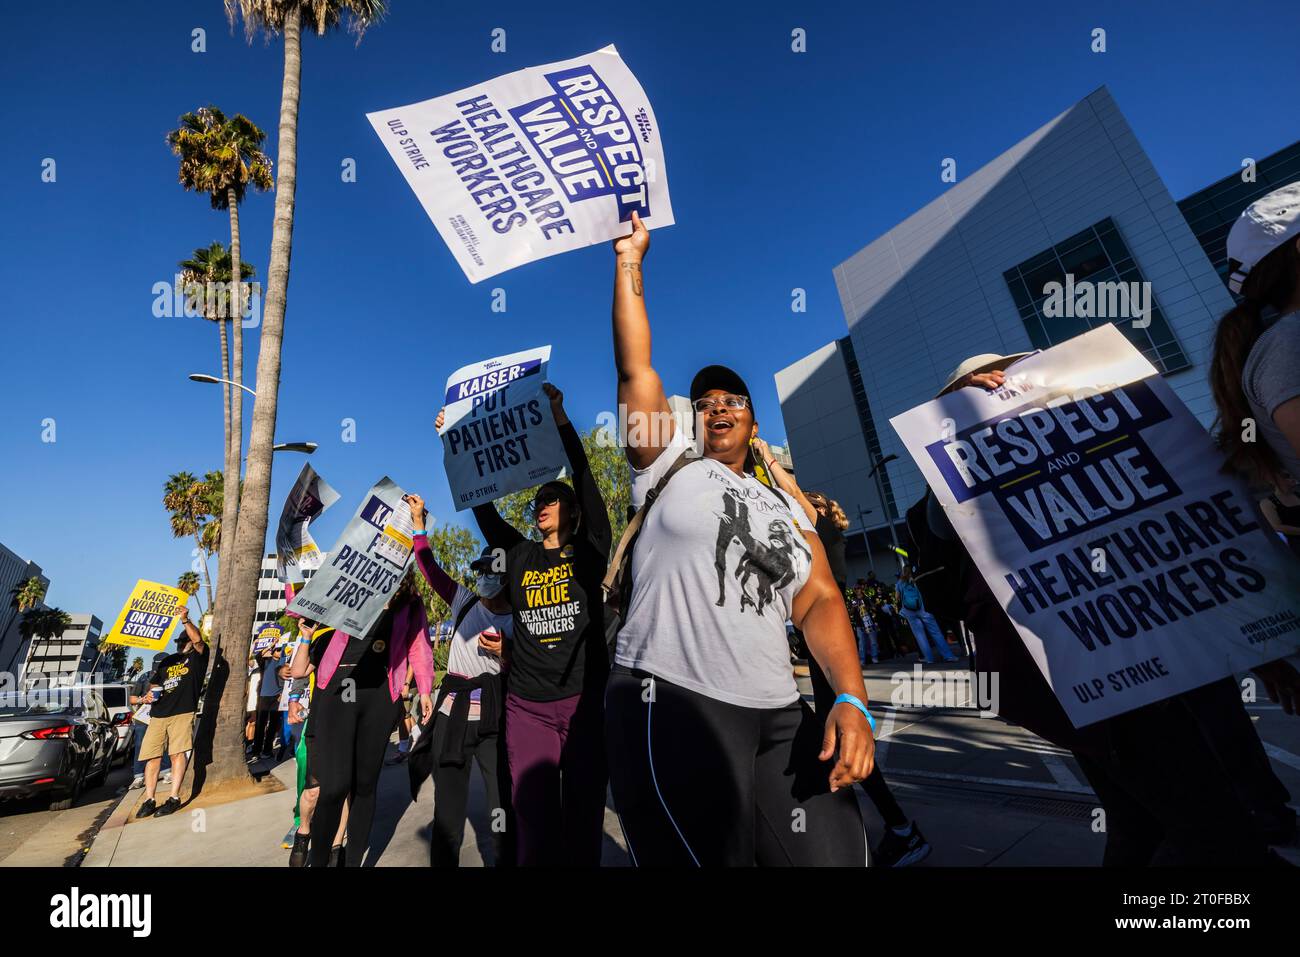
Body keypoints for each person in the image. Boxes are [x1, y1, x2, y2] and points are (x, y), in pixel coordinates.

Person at [911, 351, 1285, 864]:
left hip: (1164, 654)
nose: (1005, 389)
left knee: (1144, 822)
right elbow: (944, 522)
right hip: (1091, 680)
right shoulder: (954, 483)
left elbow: (1183, 544)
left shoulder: (1099, 454)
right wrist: (963, 428)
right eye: (989, 387)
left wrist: (1266, 650)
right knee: (1211, 829)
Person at [603, 212, 873, 866]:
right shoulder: (665, 464)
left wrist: (850, 698)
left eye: (734, 399)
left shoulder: (787, 502)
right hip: (669, 699)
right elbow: (636, 365)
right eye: (706, 402)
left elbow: (818, 601)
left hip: (779, 715)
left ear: (753, 423)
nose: (718, 406)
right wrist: (630, 262)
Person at [443, 382, 612, 867]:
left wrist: (560, 418)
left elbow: (583, 476)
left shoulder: (590, 552)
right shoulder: (517, 556)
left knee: (582, 818)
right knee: (532, 819)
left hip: (582, 706)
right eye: (539, 498)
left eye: (553, 499)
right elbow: (483, 506)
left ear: (573, 512)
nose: (542, 503)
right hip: (528, 708)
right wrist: (453, 442)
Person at [756, 441, 933, 866]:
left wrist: (769, 462)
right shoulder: (818, 535)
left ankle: (898, 830)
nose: (804, 500)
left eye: (810, 500)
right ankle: (891, 828)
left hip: (831, 640)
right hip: (822, 643)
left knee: (837, 740)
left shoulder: (823, 530)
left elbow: (794, 494)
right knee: (834, 741)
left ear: (820, 508)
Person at [403, 494, 514, 867]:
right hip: (452, 714)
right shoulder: (463, 600)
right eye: (480, 570)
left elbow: (533, 670)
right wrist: (419, 523)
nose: (484, 578)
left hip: (494, 717)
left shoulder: (520, 620)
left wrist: (505, 654)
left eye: (491, 572)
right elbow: (430, 568)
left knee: (502, 809)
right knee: (448, 812)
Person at [298, 572, 434, 867]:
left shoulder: (409, 601)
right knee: (334, 787)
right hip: (338, 690)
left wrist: (424, 690)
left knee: (365, 786)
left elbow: (419, 646)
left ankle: (353, 861)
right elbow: (302, 605)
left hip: (381, 697)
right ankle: (319, 860)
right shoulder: (348, 580)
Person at [285, 616, 349, 868]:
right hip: (321, 718)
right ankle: (303, 832)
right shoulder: (322, 634)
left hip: (351, 719)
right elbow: (299, 672)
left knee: (344, 788)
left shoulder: (364, 630)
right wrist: (306, 636)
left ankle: (336, 845)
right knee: (313, 790)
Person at [135, 607, 207, 819]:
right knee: (152, 757)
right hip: (158, 715)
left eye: (184, 641)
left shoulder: (197, 659)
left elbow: (199, 641)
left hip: (182, 712)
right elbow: (153, 686)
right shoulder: (167, 662)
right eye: (178, 641)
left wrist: (185, 620)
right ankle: (149, 799)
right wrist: (147, 697)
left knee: (177, 754)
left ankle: (174, 797)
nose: (180, 644)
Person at [895, 565, 958, 664]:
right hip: (923, 609)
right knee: (936, 632)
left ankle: (929, 658)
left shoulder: (899, 583)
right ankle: (948, 655)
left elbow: (897, 597)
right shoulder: (917, 578)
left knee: (920, 636)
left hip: (909, 611)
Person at [126, 653, 169, 789]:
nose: (157, 671)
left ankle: (166, 771)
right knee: (140, 744)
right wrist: (142, 699)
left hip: (163, 714)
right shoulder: (145, 677)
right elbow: (132, 698)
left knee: (166, 743)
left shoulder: (172, 676)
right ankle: (138, 776)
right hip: (145, 717)